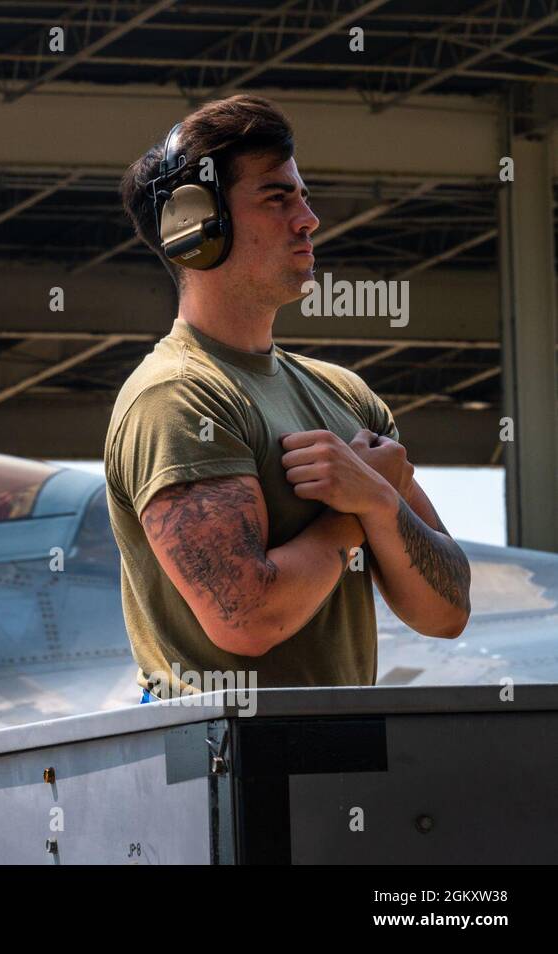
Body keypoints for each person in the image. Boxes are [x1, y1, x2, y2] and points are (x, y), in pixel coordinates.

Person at [107, 95, 472, 705]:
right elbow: (248, 618)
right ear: (195, 225)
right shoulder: (177, 398)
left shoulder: (347, 397)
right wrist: (355, 509)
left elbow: (448, 612)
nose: (309, 219)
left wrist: (379, 500)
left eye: (301, 197)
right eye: (277, 199)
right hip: (225, 771)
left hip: (341, 759)